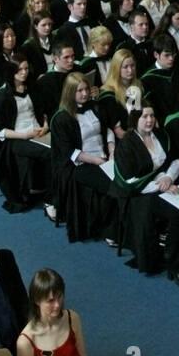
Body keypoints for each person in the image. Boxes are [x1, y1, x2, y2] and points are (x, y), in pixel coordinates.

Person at [113, 104, 179, 276]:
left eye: (152, 116)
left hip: (163, 184)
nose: (150, 120)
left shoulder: (161, 135)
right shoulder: (127, 145)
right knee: (174, 214)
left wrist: (168, 178)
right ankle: (167, 256)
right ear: (135, 119)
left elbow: (175, 161)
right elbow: (129, 182)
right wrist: (161, 186)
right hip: (137, 194)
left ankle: (173, 251)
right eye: (144, 117)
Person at [49, 72, 118, 242]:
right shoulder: (62, 118)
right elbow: (68, 151)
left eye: (86, 89)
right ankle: (111, 231)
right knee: (114, 187)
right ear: (70, 92)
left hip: (105, 158)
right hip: (79, 165)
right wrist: (96, 161)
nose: (85, 94)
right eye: (79, 90)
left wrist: (112, 150)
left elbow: (107, 130)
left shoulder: (95, 107)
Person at [0, 55, 52, 212]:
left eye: (26, 69)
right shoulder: (3, 95)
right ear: (12, 72)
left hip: (38, 131)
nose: (24, 73)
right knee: (49, 153)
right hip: (17, 137)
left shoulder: (32, 88)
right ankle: (51, 198)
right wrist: (24, 135)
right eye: (20, 70)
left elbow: (43, 111)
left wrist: (45, 126)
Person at [17, 268, 88, 356]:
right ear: (37, 300)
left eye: (59, 297)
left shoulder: (72, 318)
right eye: (50, 301)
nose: (57, 305)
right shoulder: (25, 341)